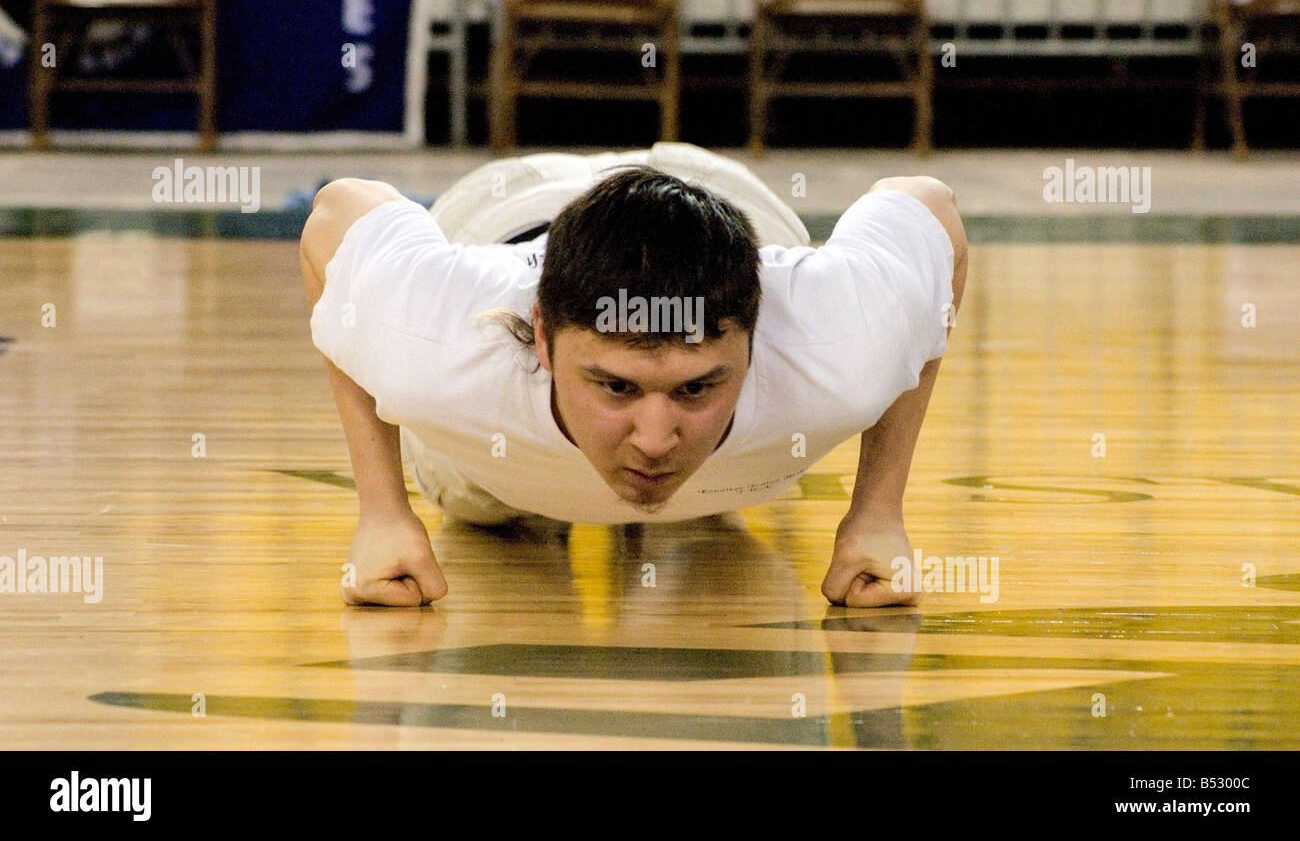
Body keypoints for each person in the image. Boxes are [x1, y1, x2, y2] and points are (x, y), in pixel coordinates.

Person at [299, 143, 967, 609]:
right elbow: (338, 213)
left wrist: (879, 512)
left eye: (696, 388)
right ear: (540, 335)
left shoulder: (837, 340)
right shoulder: (439, 343)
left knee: (710, 490)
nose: (654, 438)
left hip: (717, 198)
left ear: (757, 339)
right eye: (616, 386)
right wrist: (383, 512)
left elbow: (932, 211)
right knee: (483, 502)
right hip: (512, 209)